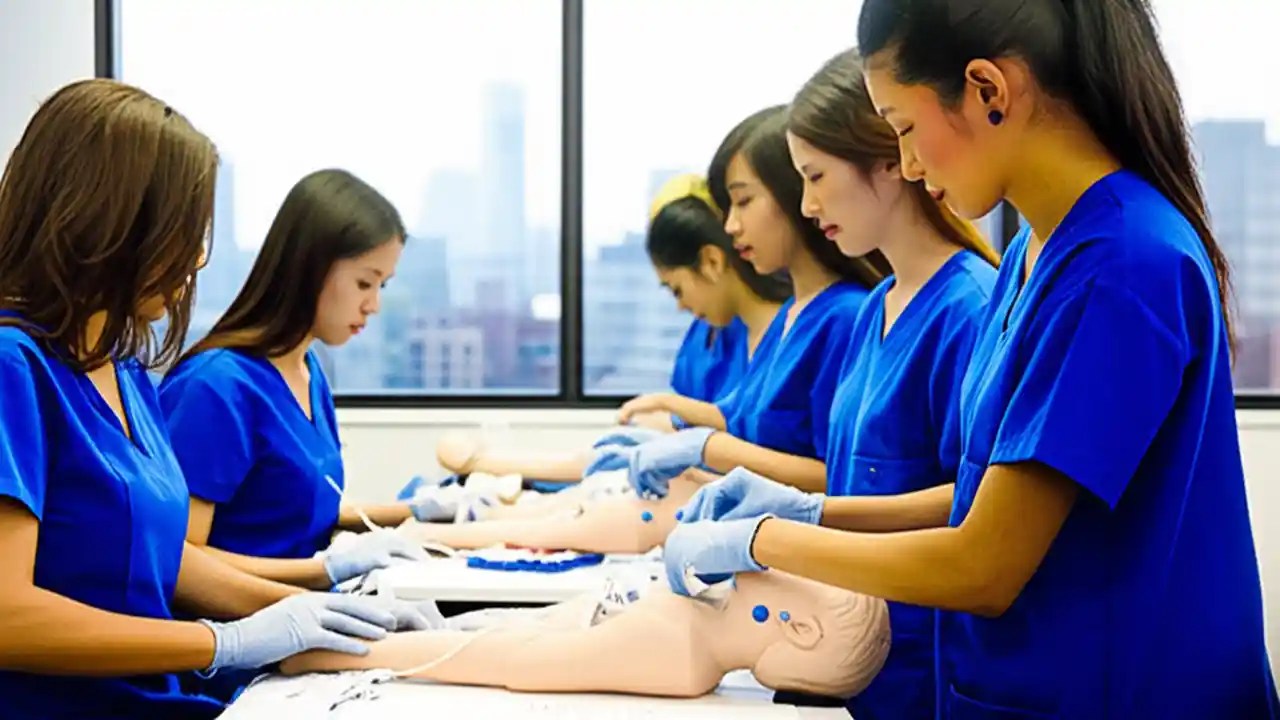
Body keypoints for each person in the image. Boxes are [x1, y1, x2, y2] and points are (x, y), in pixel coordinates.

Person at [663, 2, 1280, 718]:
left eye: (903, 128)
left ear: (989, 90)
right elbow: (976, 498)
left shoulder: (1122, 266)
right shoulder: (1032, 255)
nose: (910, 163)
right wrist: (813, 508)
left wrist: (765, 539)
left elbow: (984, 564)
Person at [0, 79, 434, 720]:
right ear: (109, 224)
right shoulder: (16, 369)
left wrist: (310, 605)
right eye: (182, 230)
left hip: (160, 695)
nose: (196, 256)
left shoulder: (123, 373)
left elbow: (161, 555)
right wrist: (222, 640)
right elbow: (8, 615)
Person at [695, 47, 994, 720]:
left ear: (889, 159)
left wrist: (794, 519)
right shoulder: (876, 310)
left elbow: (979, 507)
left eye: (817, 177)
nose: (807, 204)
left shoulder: (967, 309)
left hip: (924, 664)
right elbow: (850, 476)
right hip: (844, 647)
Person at [589, 106, 888, 497]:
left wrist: (711, 452)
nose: (731, 226)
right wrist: (668, 416)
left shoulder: (845, 316)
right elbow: (737, 418)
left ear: (793, 194)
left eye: (743, 202)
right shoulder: (792, 318)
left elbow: (841, 479)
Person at [161, 169, 430, 593]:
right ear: (312, 267)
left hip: (307, 611)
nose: (374, 305)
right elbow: (178, 560)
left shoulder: (308, 373)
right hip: (244, 635)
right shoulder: (216, 388)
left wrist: (411, 514)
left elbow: (292, 507)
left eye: (382, 285)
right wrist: (323, 572)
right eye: (364, 282)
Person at [426, 173, 788, 487]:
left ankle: (478, 473)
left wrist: (682, 430)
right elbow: (717, 423)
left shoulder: (806, 326)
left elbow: (743, 438)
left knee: (596, 477)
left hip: (707, 481)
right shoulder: (710, 333)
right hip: (689, 471)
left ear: (712, 260)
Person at [280, 569, 891, 702]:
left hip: (489, 646)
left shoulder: (679, 655)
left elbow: (518, 660)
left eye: (806, 565)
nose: (778, 550)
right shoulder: (696, 618)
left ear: (798, 629)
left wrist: (343, 655)